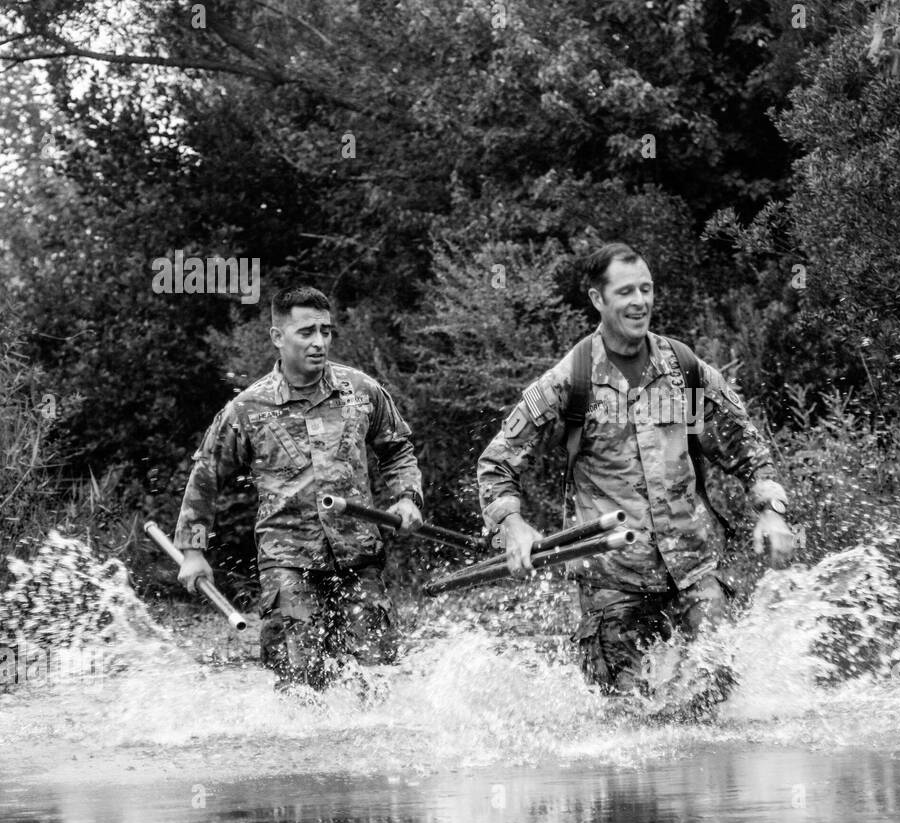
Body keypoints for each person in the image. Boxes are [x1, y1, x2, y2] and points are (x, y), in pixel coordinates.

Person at [477, 242, 796, 708]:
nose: (640, 301)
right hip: (613, 588)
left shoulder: (684, 368)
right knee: (626, 728)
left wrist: (772, 511)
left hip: (694, 578)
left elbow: (748, 449)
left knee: (717, 712)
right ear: (597, 299)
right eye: (626, 291)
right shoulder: (572, 380)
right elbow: (497, 462)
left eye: (646, 289)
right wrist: (514, 527)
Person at [173, 286, 424, 693]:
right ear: (278, 337)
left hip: (359, 556)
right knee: (300, 683)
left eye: (326, 331)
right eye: (306, 332)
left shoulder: (361, 392)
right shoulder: (247, 408)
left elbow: (397, 450)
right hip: (288, 560)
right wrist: (192, 551)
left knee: (376, 678)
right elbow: (206, 475)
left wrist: (407, 497)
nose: (319, 342)